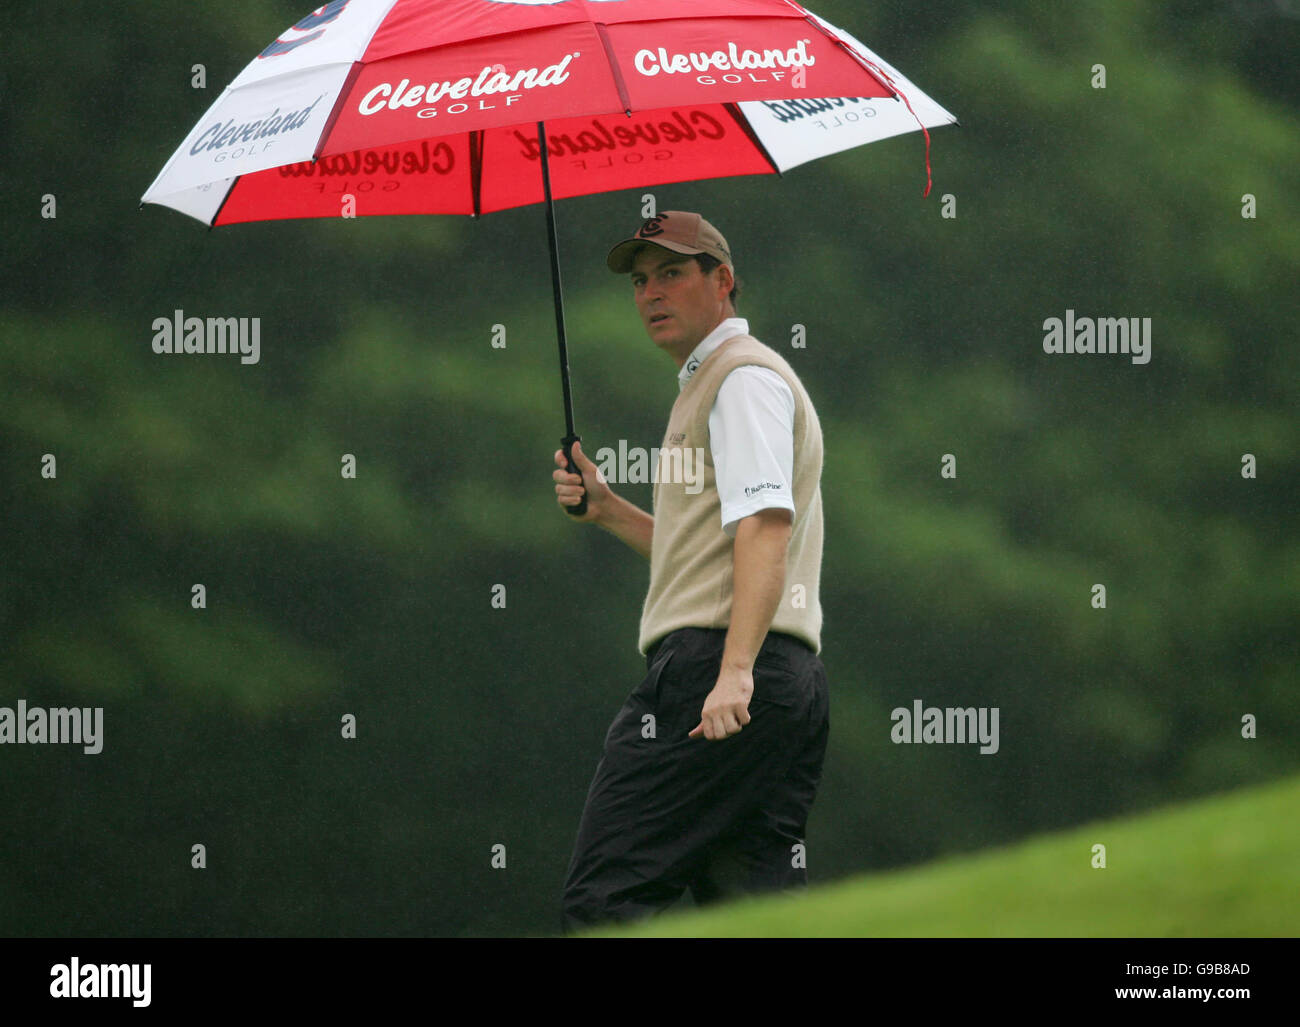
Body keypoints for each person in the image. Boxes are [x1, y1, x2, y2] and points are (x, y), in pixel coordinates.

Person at [553, 210, 830, 933]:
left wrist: (734, 670)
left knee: (604, 900)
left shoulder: (738, 380)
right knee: (752, 916)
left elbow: (767, 527)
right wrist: (610, 509)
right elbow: (711, 550)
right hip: (776, 677)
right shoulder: (715, 383)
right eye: (641, 281)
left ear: (724, 280)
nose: (651, 293)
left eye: (672, 272)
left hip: (719, 670)